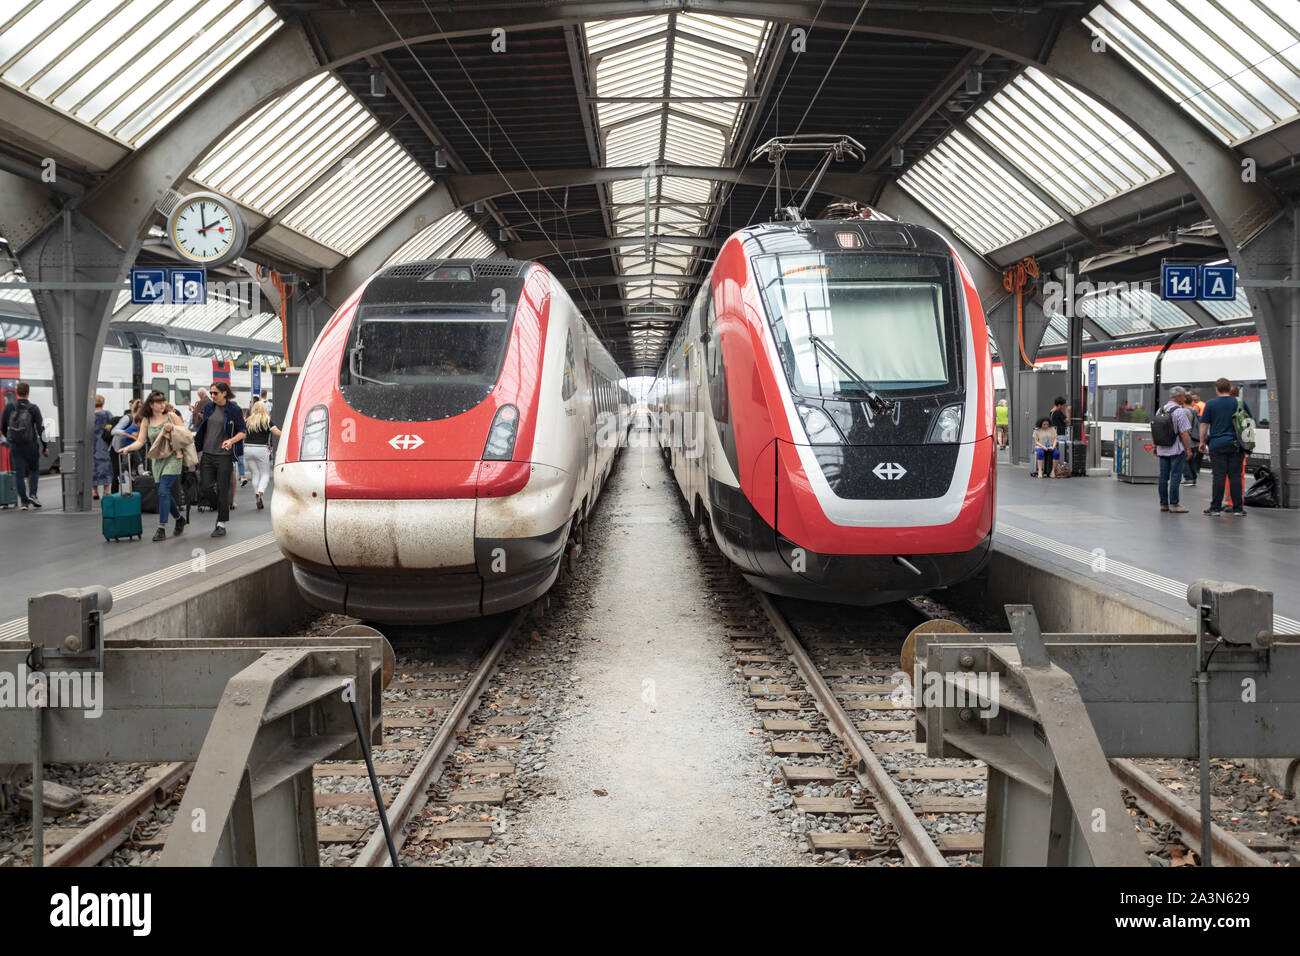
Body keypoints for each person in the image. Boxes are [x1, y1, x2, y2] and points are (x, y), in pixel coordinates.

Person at [119, 390, 188, 541]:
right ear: (151, 404)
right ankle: (179, 519)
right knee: (163, 493)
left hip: (173, 457)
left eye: (163, 401)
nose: (162, 404)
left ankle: (161, 528)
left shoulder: (172, 416)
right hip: (156, 460)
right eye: (158, 402)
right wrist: (128, 448)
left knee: (163, 490)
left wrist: (173, 429)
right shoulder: (146, 420)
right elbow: (140, 441)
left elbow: (186, 435)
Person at [194, 381, 247, 537]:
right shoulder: (209, 407)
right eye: (211, 393)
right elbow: (203, 427)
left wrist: (231, 441)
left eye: (215, 393)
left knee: (224, 489)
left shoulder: (234, 410)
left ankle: (221, 524)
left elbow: (242, 432)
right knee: (205, 487)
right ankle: (221, 505)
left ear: (224, 393)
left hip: (224, 456)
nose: (212, 396)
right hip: (207, 454)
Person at [1199, 377, 1254, 517]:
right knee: (1235, 476)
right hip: (1236, 445)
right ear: (1229, 389)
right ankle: (1238, 509)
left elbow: (1204, 424)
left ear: (1217, 389)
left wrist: (1202, 442)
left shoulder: (1210, 404)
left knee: (1218, 476)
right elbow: (1249, 422)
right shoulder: (1239, 402)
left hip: (1217, 445)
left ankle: (1215, 508)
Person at [0, 381, 49, 509]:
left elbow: (3, 427)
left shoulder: (9, 407)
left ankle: (24, 502)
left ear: (17, 392)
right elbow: (40, 428)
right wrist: (45, 446)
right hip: (30, 444)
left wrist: (10, 438)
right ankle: (33, 494)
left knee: (19, 473)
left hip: (15, 446)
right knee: (33, 470)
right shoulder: (33, 408)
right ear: (28, 393)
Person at [1152, 386, 1194, 514]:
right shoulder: (1179, 411)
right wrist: (1188, 449)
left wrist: (1155, 446)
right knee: (1175, 476)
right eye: (1183, 396)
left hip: (1162, 448)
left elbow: (1155, 429)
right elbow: (1184, 433)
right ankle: (1174, 504)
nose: (1185, 398)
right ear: (1178, 397)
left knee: (1163, 477)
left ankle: (1163, 504)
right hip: (1176, 449)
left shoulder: (1161, 409)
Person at [243, 398, 281, 510]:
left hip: (248, 449)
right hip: (261, 449)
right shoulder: (267, 420)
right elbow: (277, 433)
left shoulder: (248, 421)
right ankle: (259, 493)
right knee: (265, 474)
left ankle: (257, 494)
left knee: (255, 473)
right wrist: (288, 434)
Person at [91, 394, 113, 501]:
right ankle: (106, 490)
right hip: (103, 443)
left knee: (92, 466)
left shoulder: (89, 414)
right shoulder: (107, 414)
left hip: (91, 443)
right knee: (105, 465)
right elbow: (111, 425)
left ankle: (94, 491)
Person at [1183, 391, 1202, 485]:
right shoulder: (1195, 410)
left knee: (1184, 459)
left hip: (1188, 439)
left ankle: (1188, 478)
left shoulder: (1184, 412)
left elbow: (1184, 428)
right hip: (1195, 439)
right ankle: (1193, 478)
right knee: (1192, 460)